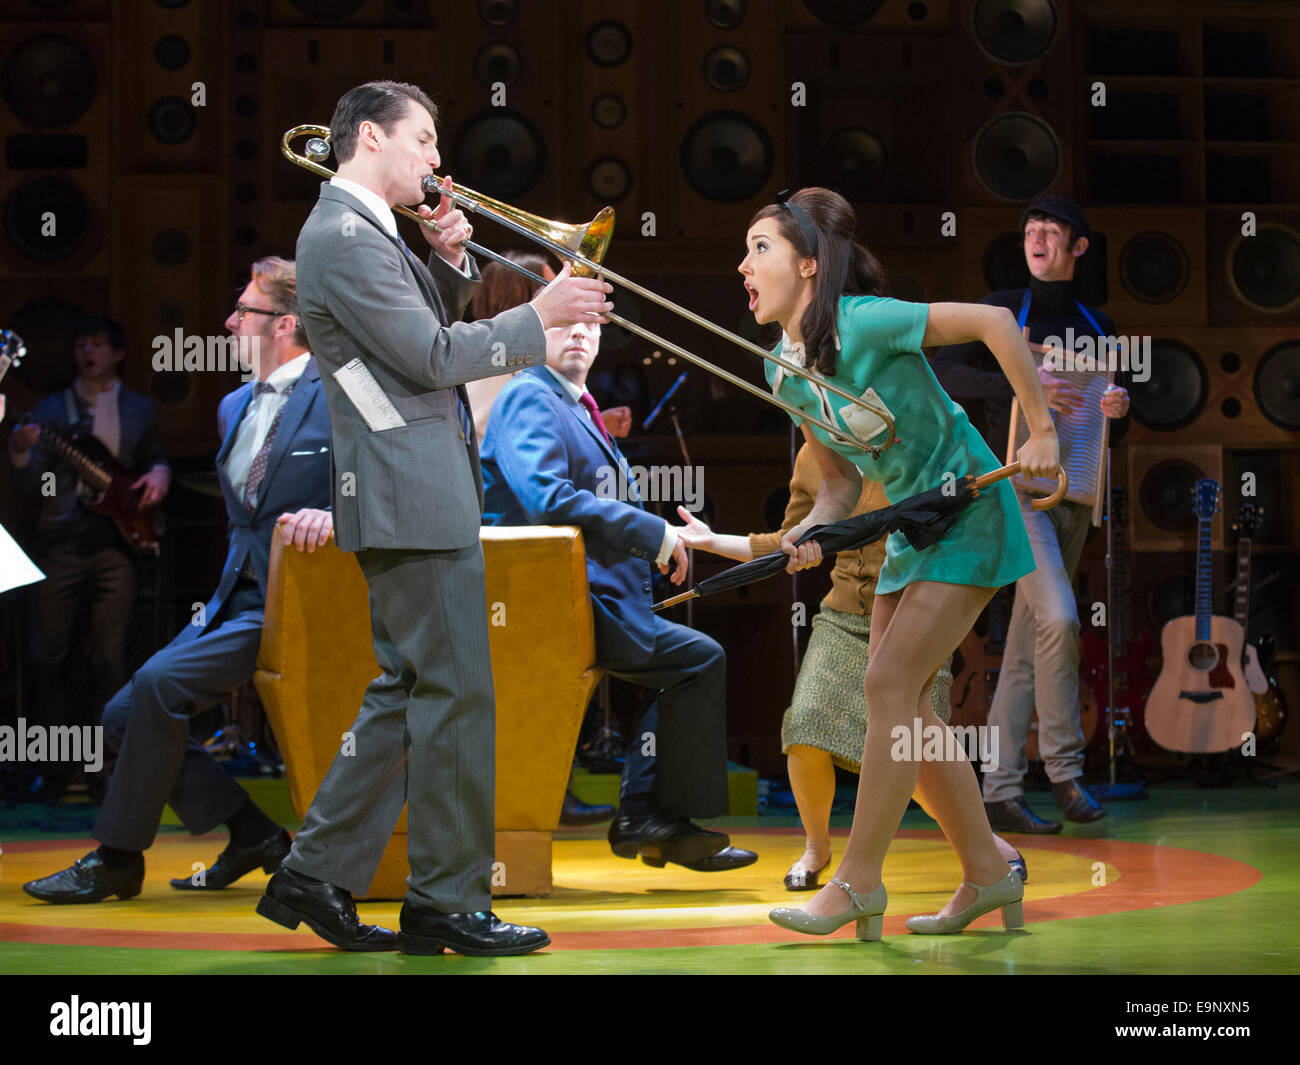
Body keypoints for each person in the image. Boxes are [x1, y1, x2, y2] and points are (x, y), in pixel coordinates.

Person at [256, 80, 611, 957]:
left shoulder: (361, 230)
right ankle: (448, 900)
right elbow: (428, 358)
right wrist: (540, 313)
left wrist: (451, 264)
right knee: (455, 697)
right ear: (370, 136)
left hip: (409, 485)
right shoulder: (342, 232)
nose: (435, 160)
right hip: (408, 490)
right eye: (422, 141)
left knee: (410, 691)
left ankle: (313, 871)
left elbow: (417, 335)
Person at [739, 187, 1057, 940]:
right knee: (908, 713)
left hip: (970, 512)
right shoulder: (780, 370)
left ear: (810, 265)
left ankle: (856, 881)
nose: (742, 266)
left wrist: (1041, 427)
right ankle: (987, 871)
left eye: (760, 249)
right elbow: (842, 482)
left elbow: (993, 321)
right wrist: (812, 531)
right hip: (911, 527)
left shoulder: (867, 320)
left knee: (885, 683)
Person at [22, 257, 334, 904]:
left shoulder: (339, 396)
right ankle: (252, 831)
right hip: (235, 594)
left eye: (243, 309)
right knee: (119, 714)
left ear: (287, 323)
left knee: (159, 686)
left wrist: (337, 513)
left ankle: (116, 858)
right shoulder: (231, 405)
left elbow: (383, 481)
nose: (227, 320)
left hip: (302, 599)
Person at [676, 444, 1028, 889]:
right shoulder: (812, 455)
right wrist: (712, 541)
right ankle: (816, 847)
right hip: (842, 614)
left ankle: (983, 846)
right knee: (803, 728)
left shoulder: (912, 439)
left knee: (915, 746)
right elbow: (787, 540)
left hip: (914, 607)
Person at [480, 319, 755, 872]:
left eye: (590, 325)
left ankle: (649, 815)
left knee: (688, 664)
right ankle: (651, 818)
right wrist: (652, 534)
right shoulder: (528, 396)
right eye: (564, 323)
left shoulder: (577, 406)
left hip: (585, 596)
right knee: (697, 662)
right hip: (543, 600)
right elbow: (546, 498)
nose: (580, 333)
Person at [931, 195, 1129, 833]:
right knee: (1062, 618)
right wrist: (1022, 384)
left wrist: (1115, 413)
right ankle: (1067, 774)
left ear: (1079, 246)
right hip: (1013, 488)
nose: (1037, 240)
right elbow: (943, 371)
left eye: (1051, 231)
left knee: (1027, 641)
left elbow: (1106, 436)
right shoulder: (998, 309)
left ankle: (1002, 789)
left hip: (1073, 493)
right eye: (1030, 231)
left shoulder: (1099, 325)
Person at [8, 316, 170, 803]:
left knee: (110, 659)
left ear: (118, 353)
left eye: (96, 343)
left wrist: (160, 474)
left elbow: (155, 458)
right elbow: (31, 484)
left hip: (116, 545)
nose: (86, 351)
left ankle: (108, 768)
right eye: (80, 343)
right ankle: (54, 771)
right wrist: (20, 453)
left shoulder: (139, 407)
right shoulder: (51, 408)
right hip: (60, 541)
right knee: (46, 658)